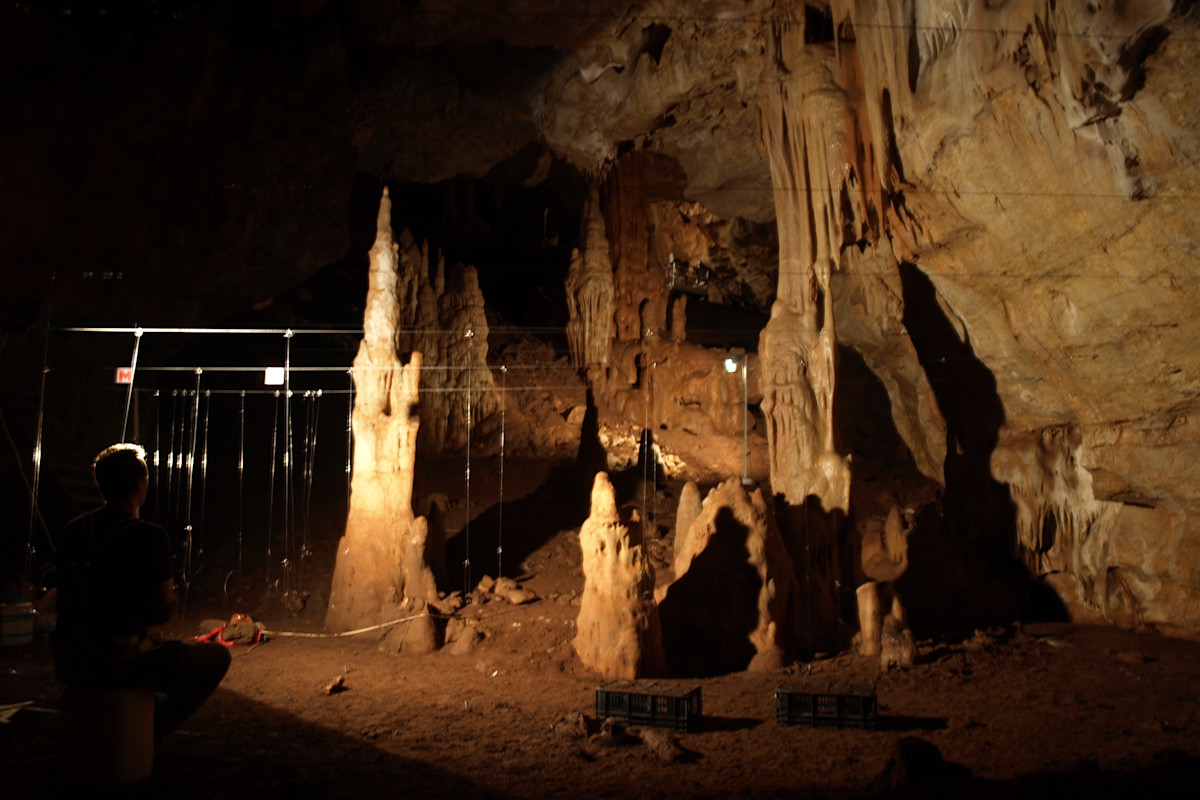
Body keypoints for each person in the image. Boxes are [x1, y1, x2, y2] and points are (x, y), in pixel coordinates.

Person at [55, 443, 230, 742]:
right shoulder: (149, 536)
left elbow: (65, 598)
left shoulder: (73, 530)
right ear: (139, 484)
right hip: (124, 662)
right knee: (217, 657)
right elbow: (162, 609)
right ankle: (152, 728)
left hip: (73, 661)